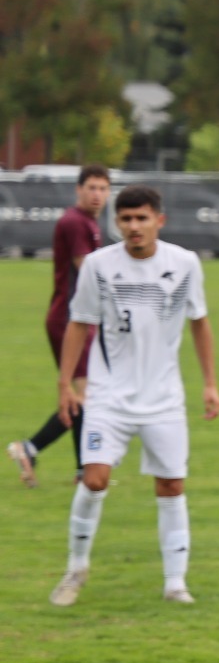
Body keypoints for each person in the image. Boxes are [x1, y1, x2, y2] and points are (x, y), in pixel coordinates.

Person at [49, 186, 219, 607]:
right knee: (94, 479)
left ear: (159, 221)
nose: (133, 227)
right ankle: (76, 568)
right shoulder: (98, 266)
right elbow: (79, 323)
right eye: (125, 219)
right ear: (116, 223)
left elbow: (199, 322)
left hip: (163, 397)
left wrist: (210, 382)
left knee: (171, 484)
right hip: (109, 397)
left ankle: (175, 583)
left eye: (142, 218)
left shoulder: (183, 264)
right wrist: (65, 383)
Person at [8, 164, 109, 487]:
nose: (97, 194)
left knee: (85, 396)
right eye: (91, 187)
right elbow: (89, 269)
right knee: (84, 396)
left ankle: (70, 464)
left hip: (77, 317)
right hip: (68, 320)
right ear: (78, 190)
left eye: (103, 188)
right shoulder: (74, 222)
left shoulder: (88, 222)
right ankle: (36, 450)